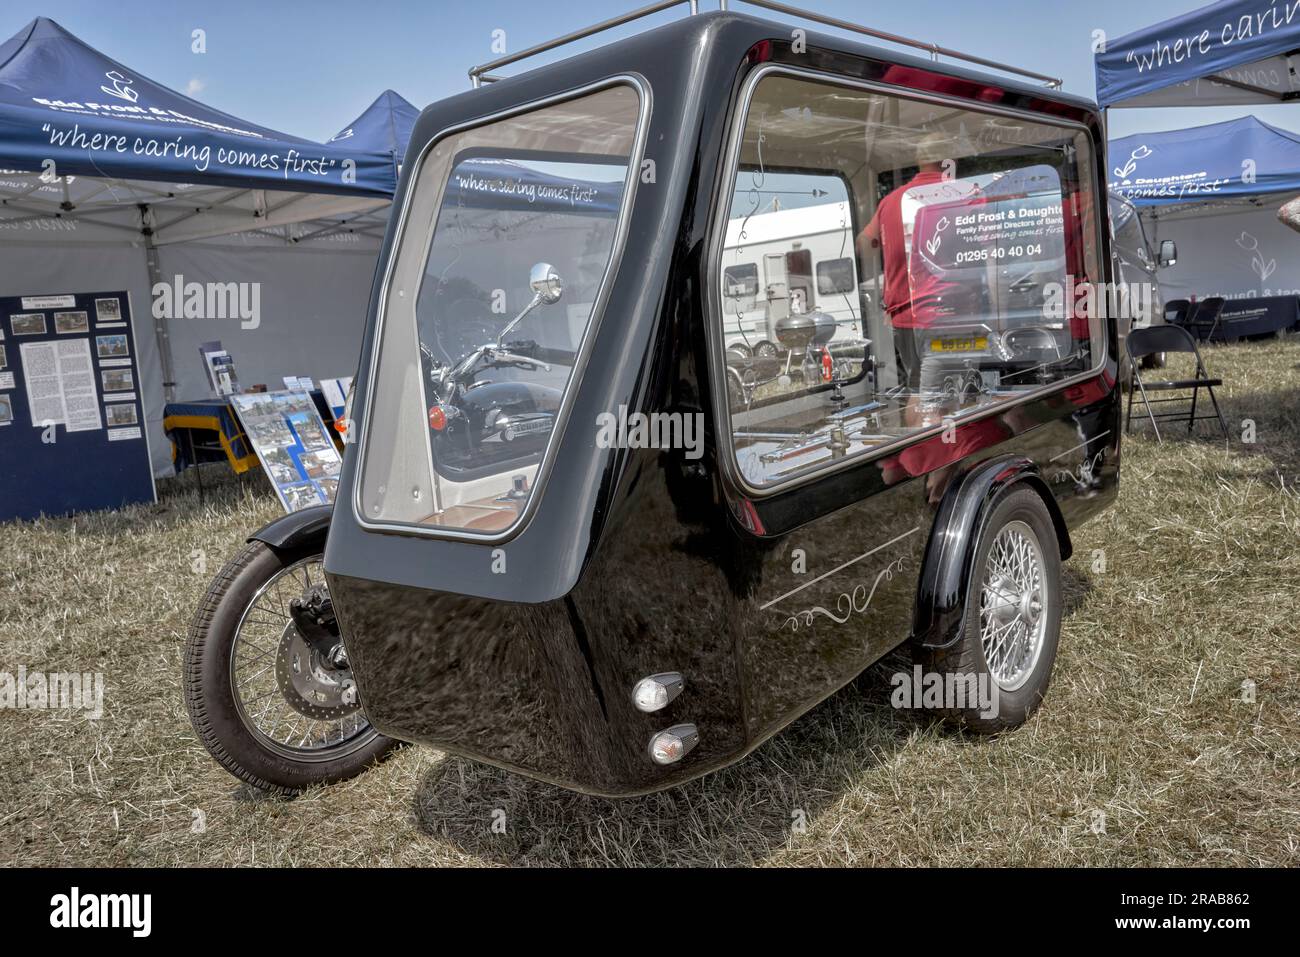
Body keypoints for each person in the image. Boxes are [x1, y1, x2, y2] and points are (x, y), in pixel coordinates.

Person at [856, 132, 951, 394]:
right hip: (949, 313)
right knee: (940, 393)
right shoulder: (961, 195)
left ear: (919, 161)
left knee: (918, 384)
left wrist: (889, 248)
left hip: (903, 315)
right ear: (948, 161)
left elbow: (864, 243)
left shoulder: (890, 202)